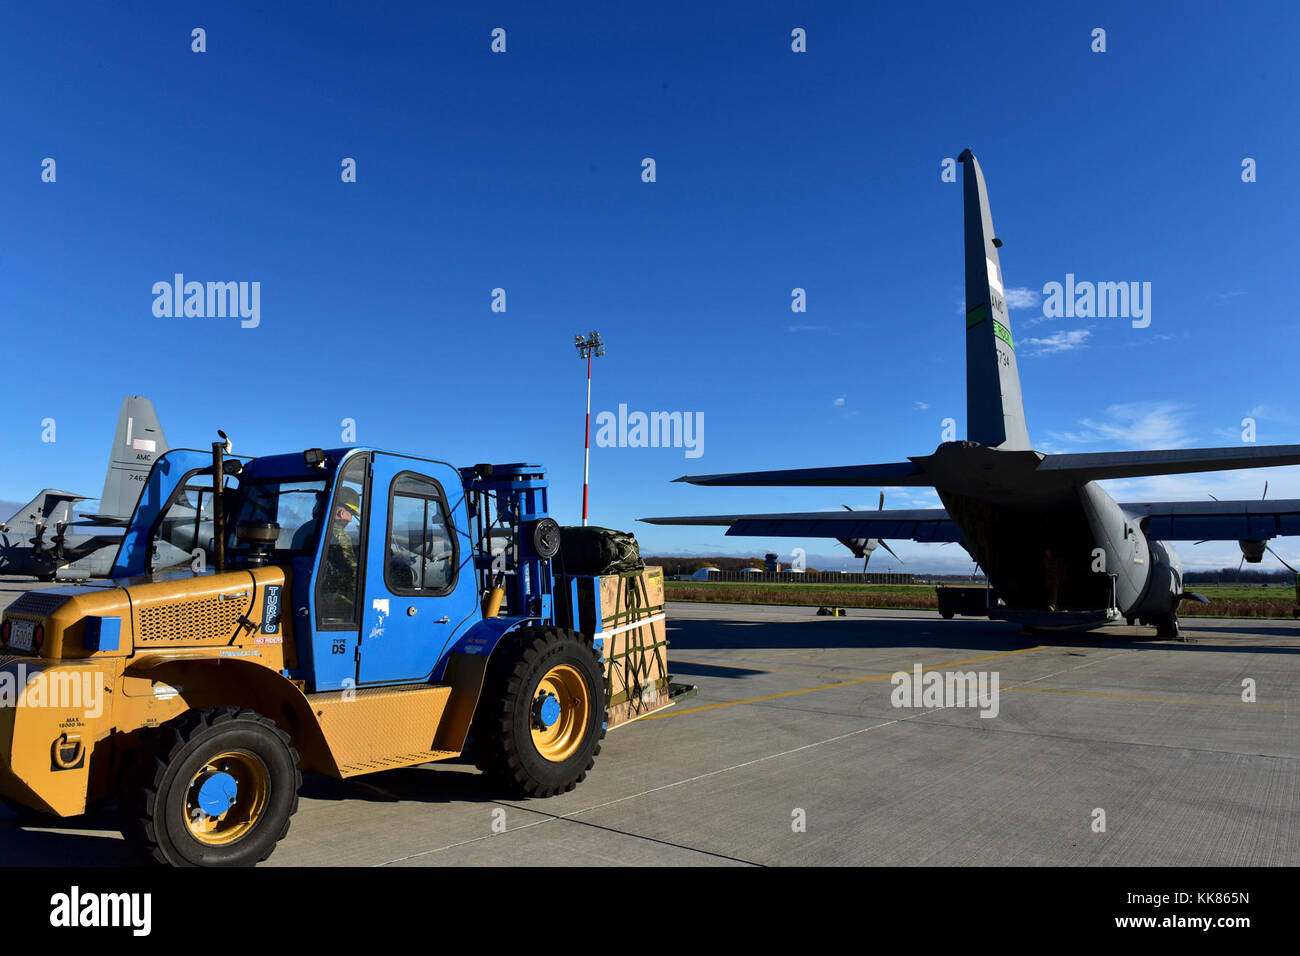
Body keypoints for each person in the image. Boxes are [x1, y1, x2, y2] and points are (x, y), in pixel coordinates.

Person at [321, 486, 361, 620]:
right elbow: (351, 571)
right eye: (351, 514)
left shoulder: (306, 528)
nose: (350, 520)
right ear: (342, 512)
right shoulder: (340, 535)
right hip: (330, 598)